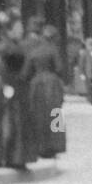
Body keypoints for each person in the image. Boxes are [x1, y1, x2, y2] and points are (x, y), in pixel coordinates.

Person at [0, 12, 40, 169]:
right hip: (6, 84)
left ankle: (13, 157)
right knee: (6, 119)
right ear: (9, 30)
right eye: (18, 28)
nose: (21, 31)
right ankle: (2, 156)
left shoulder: (16, 45)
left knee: (15, 120)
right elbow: (0, 67)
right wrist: (10, 85)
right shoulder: (3, 46)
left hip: (14, 84)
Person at [24, 21, 67, 158]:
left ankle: (40, 146)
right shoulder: (53, 49)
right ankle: (55, 145)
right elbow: (59, 68)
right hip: (51, 84)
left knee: (38, 114)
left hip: (36, 84)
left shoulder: (34, 51)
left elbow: (26, 72)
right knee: (56, 114)